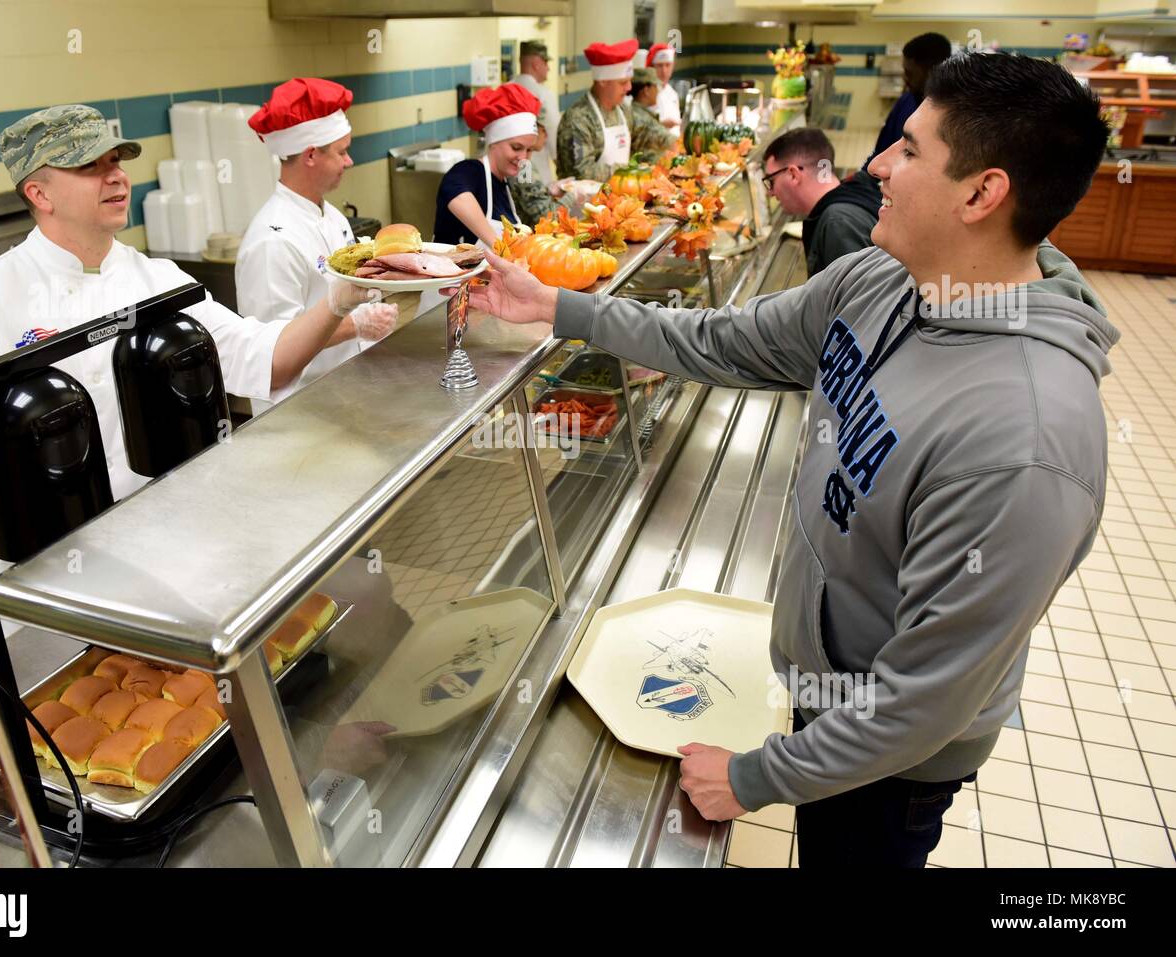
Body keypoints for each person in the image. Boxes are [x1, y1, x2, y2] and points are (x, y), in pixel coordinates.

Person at [457, 53, 1115, 867]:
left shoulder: (1027, 441)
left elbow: (925, 699)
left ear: (983, 194)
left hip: (894, 764)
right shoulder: (884, 277)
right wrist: (562, 307)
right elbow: (729, 340)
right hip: (819, 684)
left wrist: (759, 775)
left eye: (909, 150)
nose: (876, 165)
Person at [0, 105, 369, 532]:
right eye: (91, 167)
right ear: (39, 193)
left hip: (160, 529)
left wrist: (337, 302)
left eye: (117, 163)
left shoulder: (159, 284)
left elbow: (265, 358)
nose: (118, 179)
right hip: (43, 548)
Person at [237, 78, 398, 413]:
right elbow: (275, 349)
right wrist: (357, 324)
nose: (349, 161)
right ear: (311, 155)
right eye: (341, 152)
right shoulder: (272, 241)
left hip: (343, 395)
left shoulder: (333, 217)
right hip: (299, 412)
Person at [433, 83, 542, 247]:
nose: (524, 157)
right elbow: (456, 195)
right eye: (516, 147)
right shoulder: (468, 171)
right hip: (456, 271)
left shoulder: (505, 182)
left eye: (529, 150)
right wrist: (501, 249)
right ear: (493, 143)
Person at [762, 128, 880, 276]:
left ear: (793, 175)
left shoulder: (838, 223)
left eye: (770, 181)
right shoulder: (854, 192)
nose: (770, 192)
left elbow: (853, 296)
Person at [865, 32, 952, 169]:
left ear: (931, 71)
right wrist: (863, 176)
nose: (905, 79)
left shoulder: (953, 117)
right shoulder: (906, 101)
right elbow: (881, 149)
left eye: (910, 73)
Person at [555, 38, 637, 182]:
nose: (629, 87)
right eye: (623, 82)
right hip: (586, 203)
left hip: (620, 199)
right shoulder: (578, 118)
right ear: (603, 81)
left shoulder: (623, 110)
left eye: (630, 81)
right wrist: (629, 170)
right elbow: (581, 173)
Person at [510, 40, 560, 188]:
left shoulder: (505, 89)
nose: (548, 68)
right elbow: (554, 134)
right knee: (536, 206)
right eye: (546, 62)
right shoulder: (543, 94)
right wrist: (561, 166)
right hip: (535, 169)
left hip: (508, 171)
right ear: (537, 63)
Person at [629, 67, 676, 156]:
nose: (658, 91)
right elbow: (670, 143)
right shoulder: (641, 117)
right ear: (646, 90)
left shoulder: (634, 111)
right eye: (655, 87)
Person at [648, 42, 682, 136]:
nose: (664, 71)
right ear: (652, 67)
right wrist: (662, 124)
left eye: (667, 65)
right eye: (659, 66)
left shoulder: (673, 94)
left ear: (673, 66)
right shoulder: (646, 93)